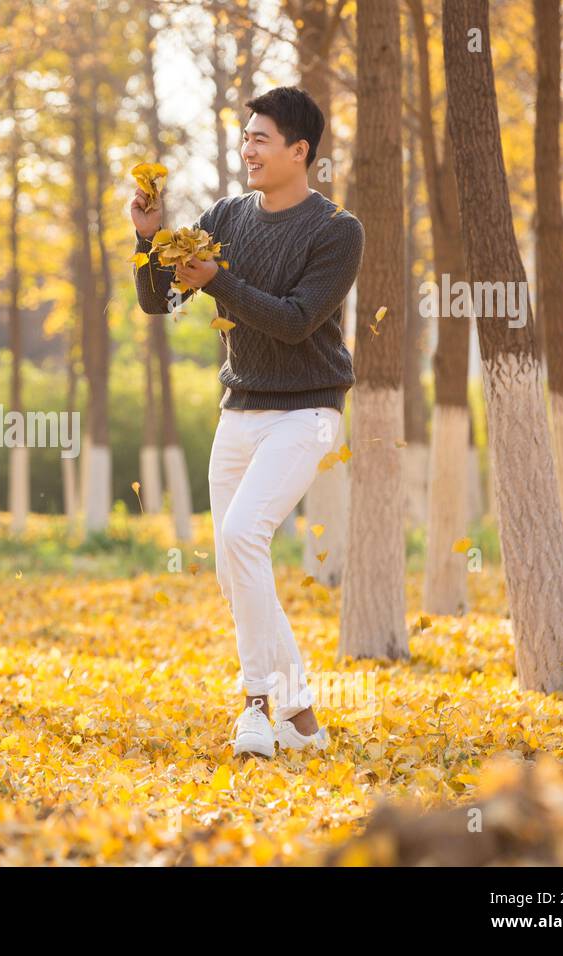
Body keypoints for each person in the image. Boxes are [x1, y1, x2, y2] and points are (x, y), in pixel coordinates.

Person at [131, 87, 364, 758]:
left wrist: (219, 280)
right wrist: (148, 240)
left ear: (301, 152)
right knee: (238, 563)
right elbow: (159, 301)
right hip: (240, 412)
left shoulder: (337, 230)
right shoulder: (225, 216)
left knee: (241, 534)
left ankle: (255, 708)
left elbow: (296, 320)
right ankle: (304, 720)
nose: (248, 148)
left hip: (308, 411)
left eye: (262, 138)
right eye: (245, 137)